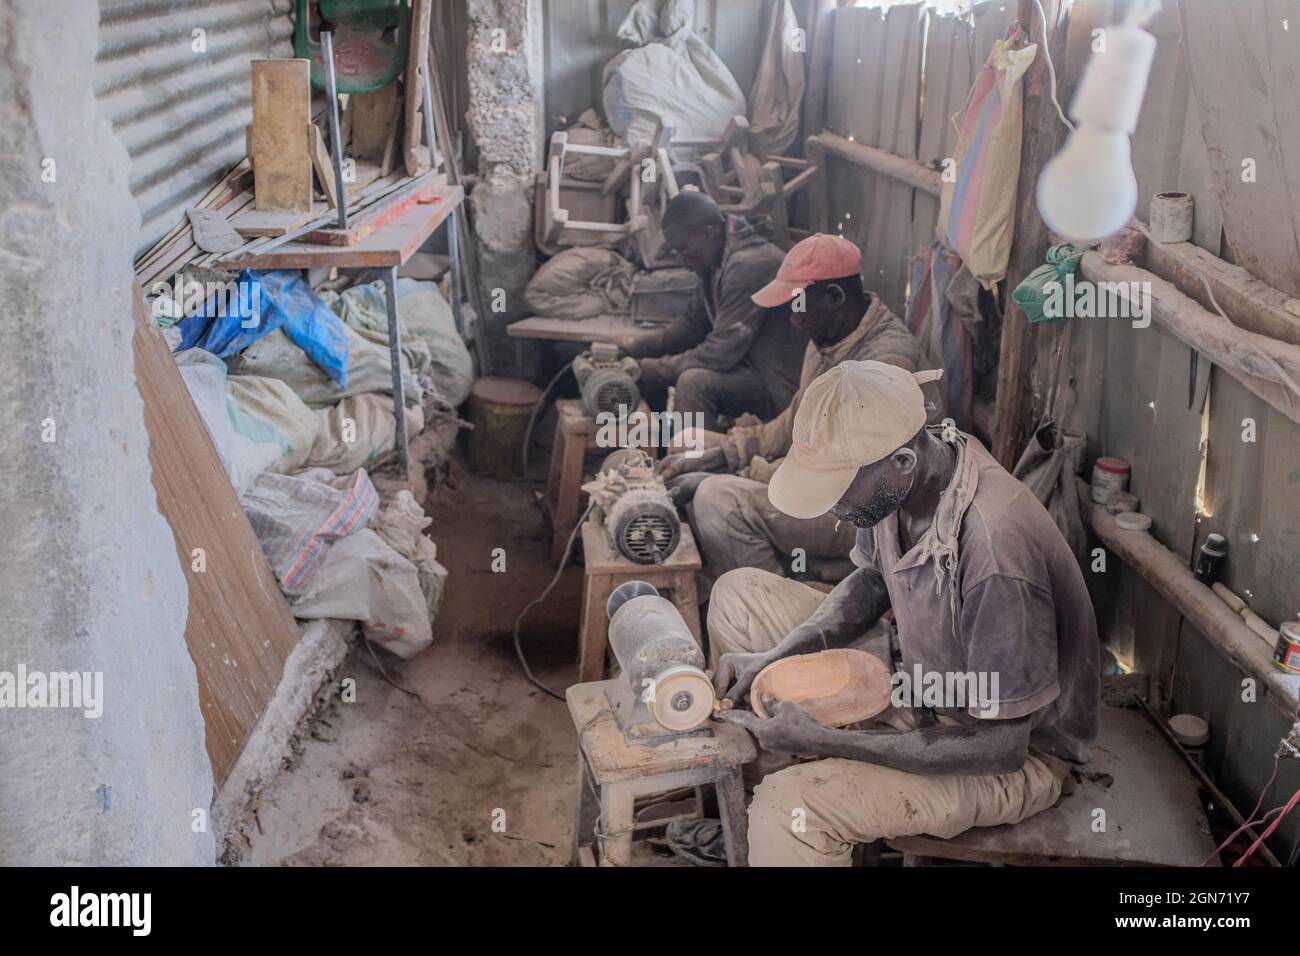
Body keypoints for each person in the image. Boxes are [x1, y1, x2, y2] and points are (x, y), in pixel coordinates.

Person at [672, 360, 1100, 866]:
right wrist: (773, 656)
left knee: (788, 812)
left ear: (901, 461)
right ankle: (755, 826)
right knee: (736, 595)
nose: (834, 509)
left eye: (840, 491)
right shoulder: (913, 471)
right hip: (922, 682)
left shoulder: (995, 552)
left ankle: (784, 823)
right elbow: (875, 579)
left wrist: (831, 741)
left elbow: (1002, 746)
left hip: (1011, 756)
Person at [657, 233, 938, 585]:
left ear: (834, 297)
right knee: (688, 443)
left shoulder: (885, 365)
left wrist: (733, 477)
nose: (793, 319)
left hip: (868, 513)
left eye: (798, 305)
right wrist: (720, 455)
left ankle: (782, 610)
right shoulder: (828, 338)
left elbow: (841, 478)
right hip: (825, 478)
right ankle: (730, 568)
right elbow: (793, 424)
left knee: (718, 500)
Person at [622, 191, 806, 432]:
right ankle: (661, 454)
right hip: (752, 369)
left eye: (683, 248)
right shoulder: (716, 262)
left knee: (694, 383)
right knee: (651, 372)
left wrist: (652, 368)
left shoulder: (750, 266)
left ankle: (692, 463)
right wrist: (633, 348)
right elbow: (691, 325)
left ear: (708, 232)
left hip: (780, 387)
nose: (681, 259)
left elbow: (719, 353)